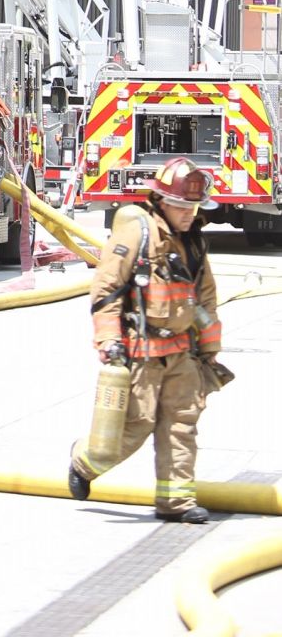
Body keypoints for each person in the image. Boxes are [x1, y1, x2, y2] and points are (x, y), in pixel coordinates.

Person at [68, 158, 227, 523]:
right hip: (142, 352)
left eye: (193, 207)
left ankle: (176, 502)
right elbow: (106, 291)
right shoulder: (136, 234)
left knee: (181, 426)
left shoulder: (194, 242)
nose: (188, 214)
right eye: (182, 206)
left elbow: (205, 298)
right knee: (134, 428)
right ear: (162, 201)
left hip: (182, 355)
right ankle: (83, 463)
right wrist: (109, 340)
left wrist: (209, 351)